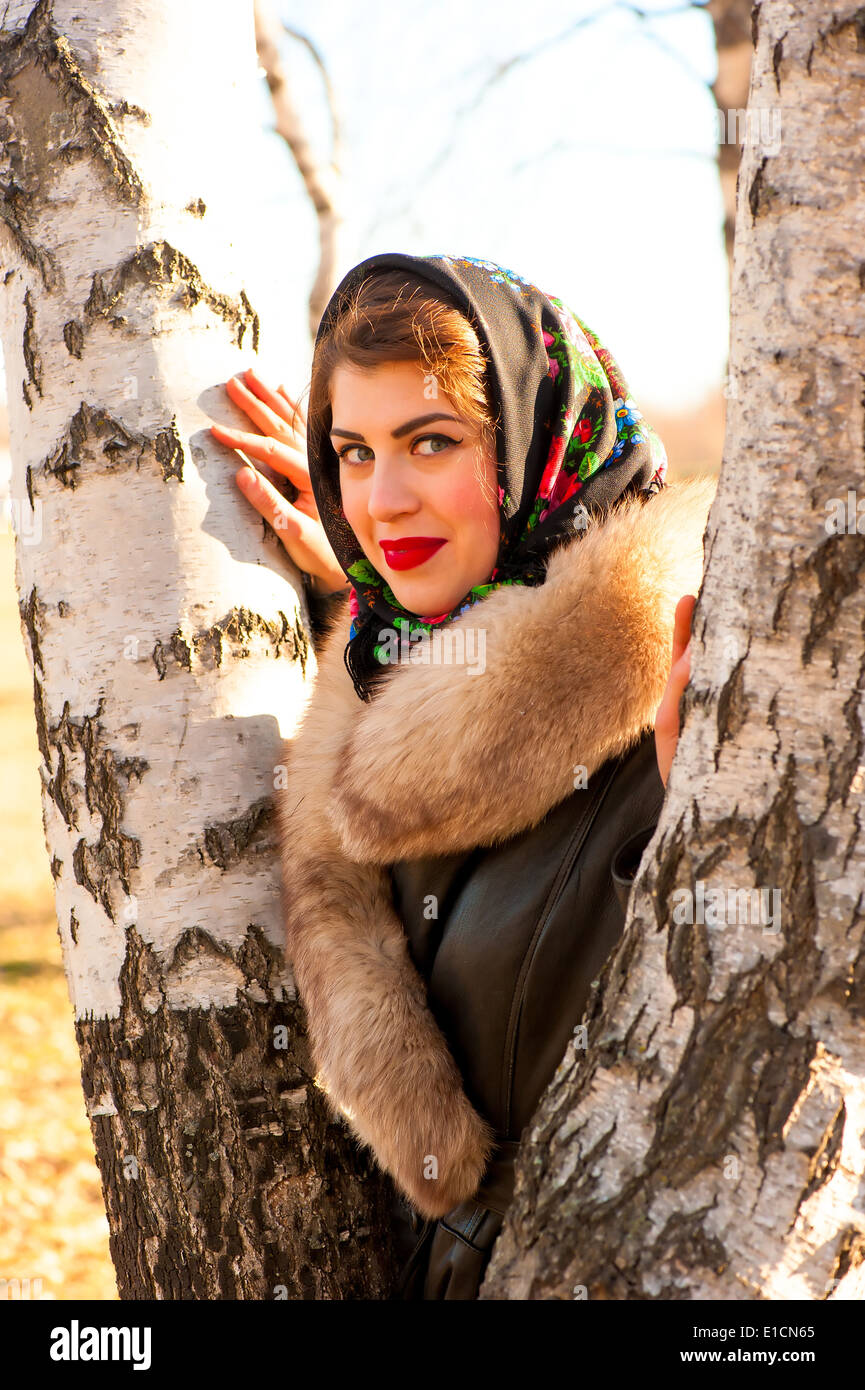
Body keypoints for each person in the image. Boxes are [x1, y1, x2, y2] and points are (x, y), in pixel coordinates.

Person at [210, 252, 716, 1299]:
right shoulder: (383, 672)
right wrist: (355, 592)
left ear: (543, 446)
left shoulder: (693, 686)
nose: (379, 501)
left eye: (431, 442)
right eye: (353, 452)